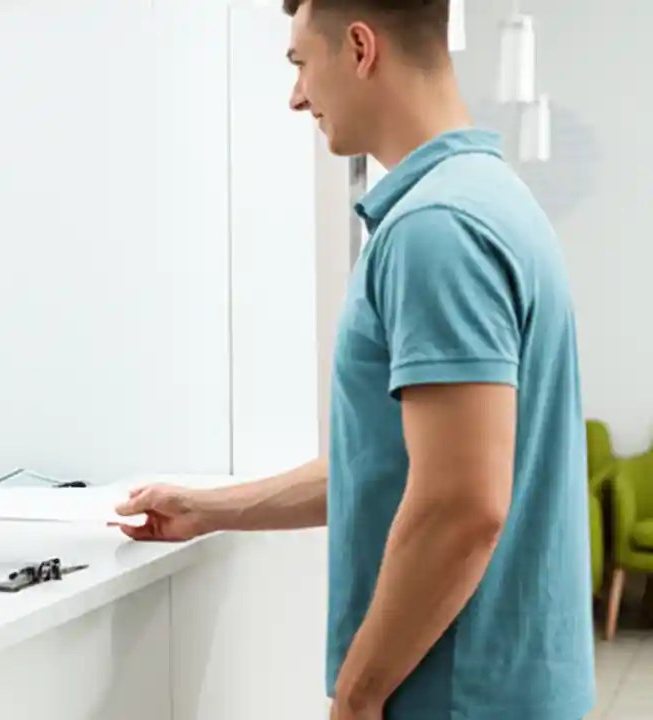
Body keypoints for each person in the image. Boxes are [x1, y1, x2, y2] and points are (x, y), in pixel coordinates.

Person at [116, 2, 594, 719]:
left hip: (455, 698)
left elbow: (460, 506)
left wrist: (359, 694)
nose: (296, 95)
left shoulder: (437, 230)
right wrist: (205, 507)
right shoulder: (491, 199)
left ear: (361, 48)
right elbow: (400, 465)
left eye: (301, 64)